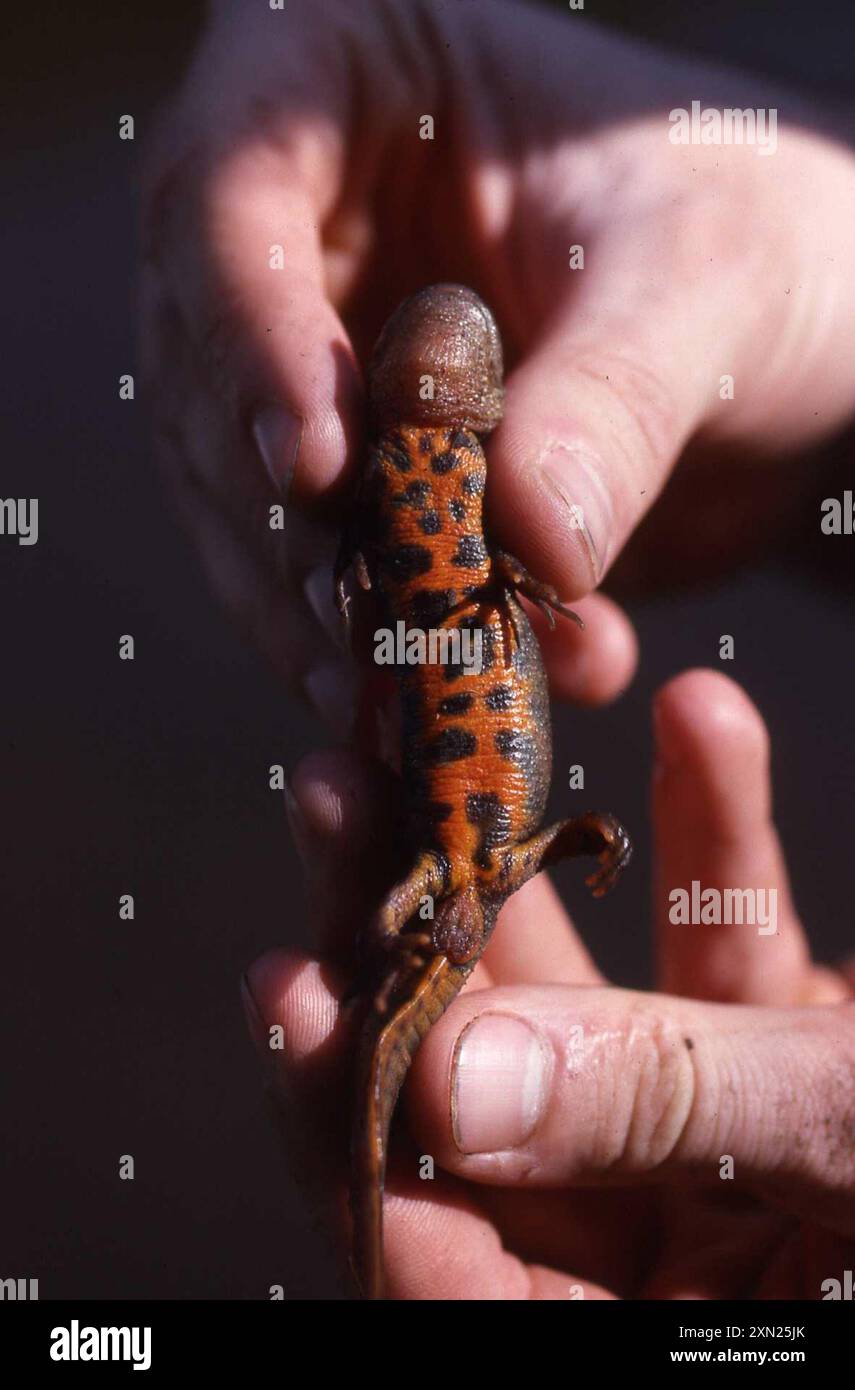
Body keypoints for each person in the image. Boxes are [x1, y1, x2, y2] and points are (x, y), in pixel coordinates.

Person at [142, 0, 855, 1297]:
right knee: (402, 926)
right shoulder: (440, 493)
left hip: (463, 790)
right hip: (466, 769)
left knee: (401, 930)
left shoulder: (460, 506)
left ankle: (388, 1148)